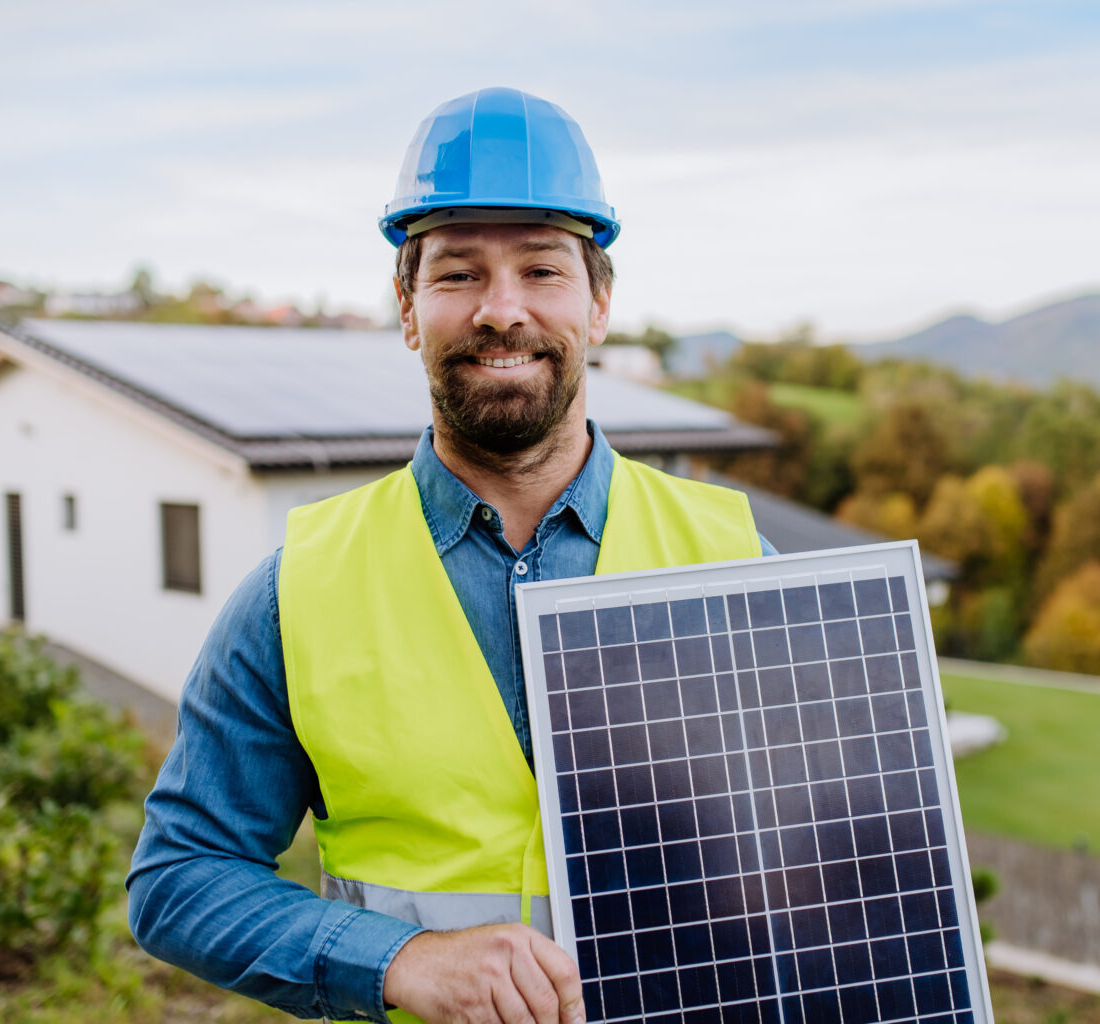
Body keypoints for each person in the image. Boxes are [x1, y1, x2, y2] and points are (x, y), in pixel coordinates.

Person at [128, 87, 771, 1023]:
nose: (501, 311)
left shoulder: (736, 559)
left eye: (543, 271)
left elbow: (826, 848)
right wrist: (399, 961)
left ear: (597, 306)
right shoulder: (298, 589)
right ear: (406, 306)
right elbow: (180, 877)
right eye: (459, 273)